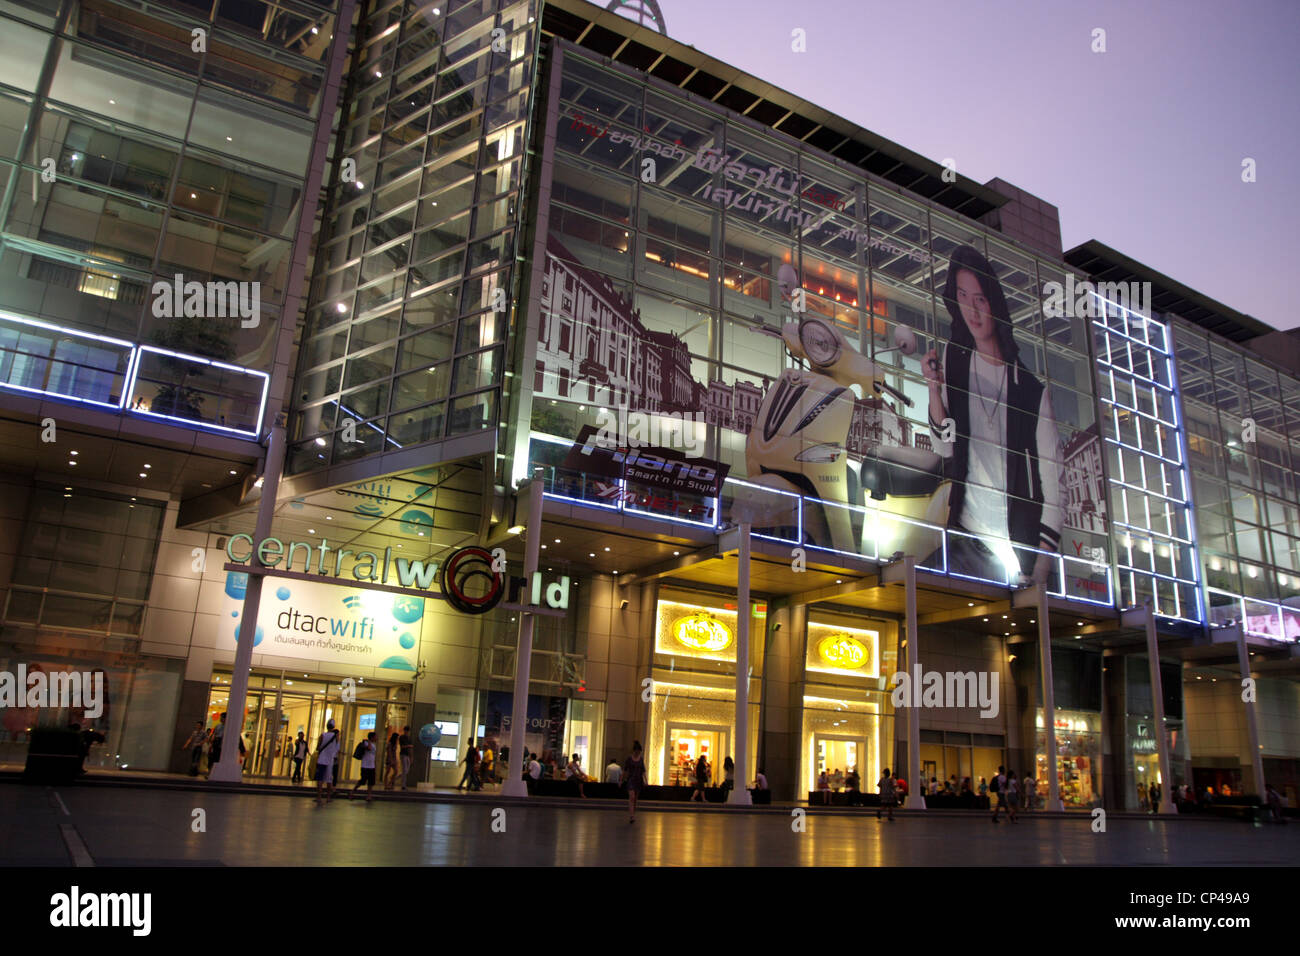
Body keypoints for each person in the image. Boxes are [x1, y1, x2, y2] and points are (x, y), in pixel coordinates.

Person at [924, 244, 1065, 586]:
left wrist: (1039, 572)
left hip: (1014, 551)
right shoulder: (955, 360)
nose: (972, 310)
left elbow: (1053, 489)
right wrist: (933, 388)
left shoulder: (1031, 392)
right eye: (962, 296)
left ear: (995, 305)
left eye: (980, 300)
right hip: (964, 535)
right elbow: (945, 449)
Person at [314, 718, 341, 806]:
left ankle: (319, 797)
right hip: (330, 760)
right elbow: (337, 748)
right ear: (333, 727)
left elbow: (318, 748)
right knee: (329, 780)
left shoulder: (322, 735)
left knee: (320, 779)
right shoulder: (336, 737)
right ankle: (328, 797)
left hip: (321, 759)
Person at [623, 741, 647, 823]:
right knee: (632, 797)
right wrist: (621, 779)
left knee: (635, 799)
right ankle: (631, 816)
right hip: (631, 780)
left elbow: (643, 771)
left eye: (639, 752)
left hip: (638, 780)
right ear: (634, 751)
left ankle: (633, 813)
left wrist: (645, 780)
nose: (638, 753)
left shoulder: (641, 759)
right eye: (637, 751)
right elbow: (625, 770)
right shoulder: (629, 759)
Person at [350, 731, 378, 802]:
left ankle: (369, 795)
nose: (376, 738)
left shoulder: (374, 745)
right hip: (365, 765)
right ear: (372, 737)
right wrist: (368, 741)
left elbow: (373, 755)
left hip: (371, 766)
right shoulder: (365, 743)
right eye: (375, 736)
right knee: (363, 780)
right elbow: (368, 748)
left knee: (371, 781)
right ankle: (353, 790)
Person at [398, 725, 413, 790]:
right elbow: (402, 746)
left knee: (406, 770)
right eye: (406, 731)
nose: (407, 732)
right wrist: (408, 746)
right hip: (403, 754)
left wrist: (411, 756)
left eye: (407, 731)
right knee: (404, 769)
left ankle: (396, 777)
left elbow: (411, 748)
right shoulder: (401, 737)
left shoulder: (409, 738)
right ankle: (403, 785)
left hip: (407, 755)